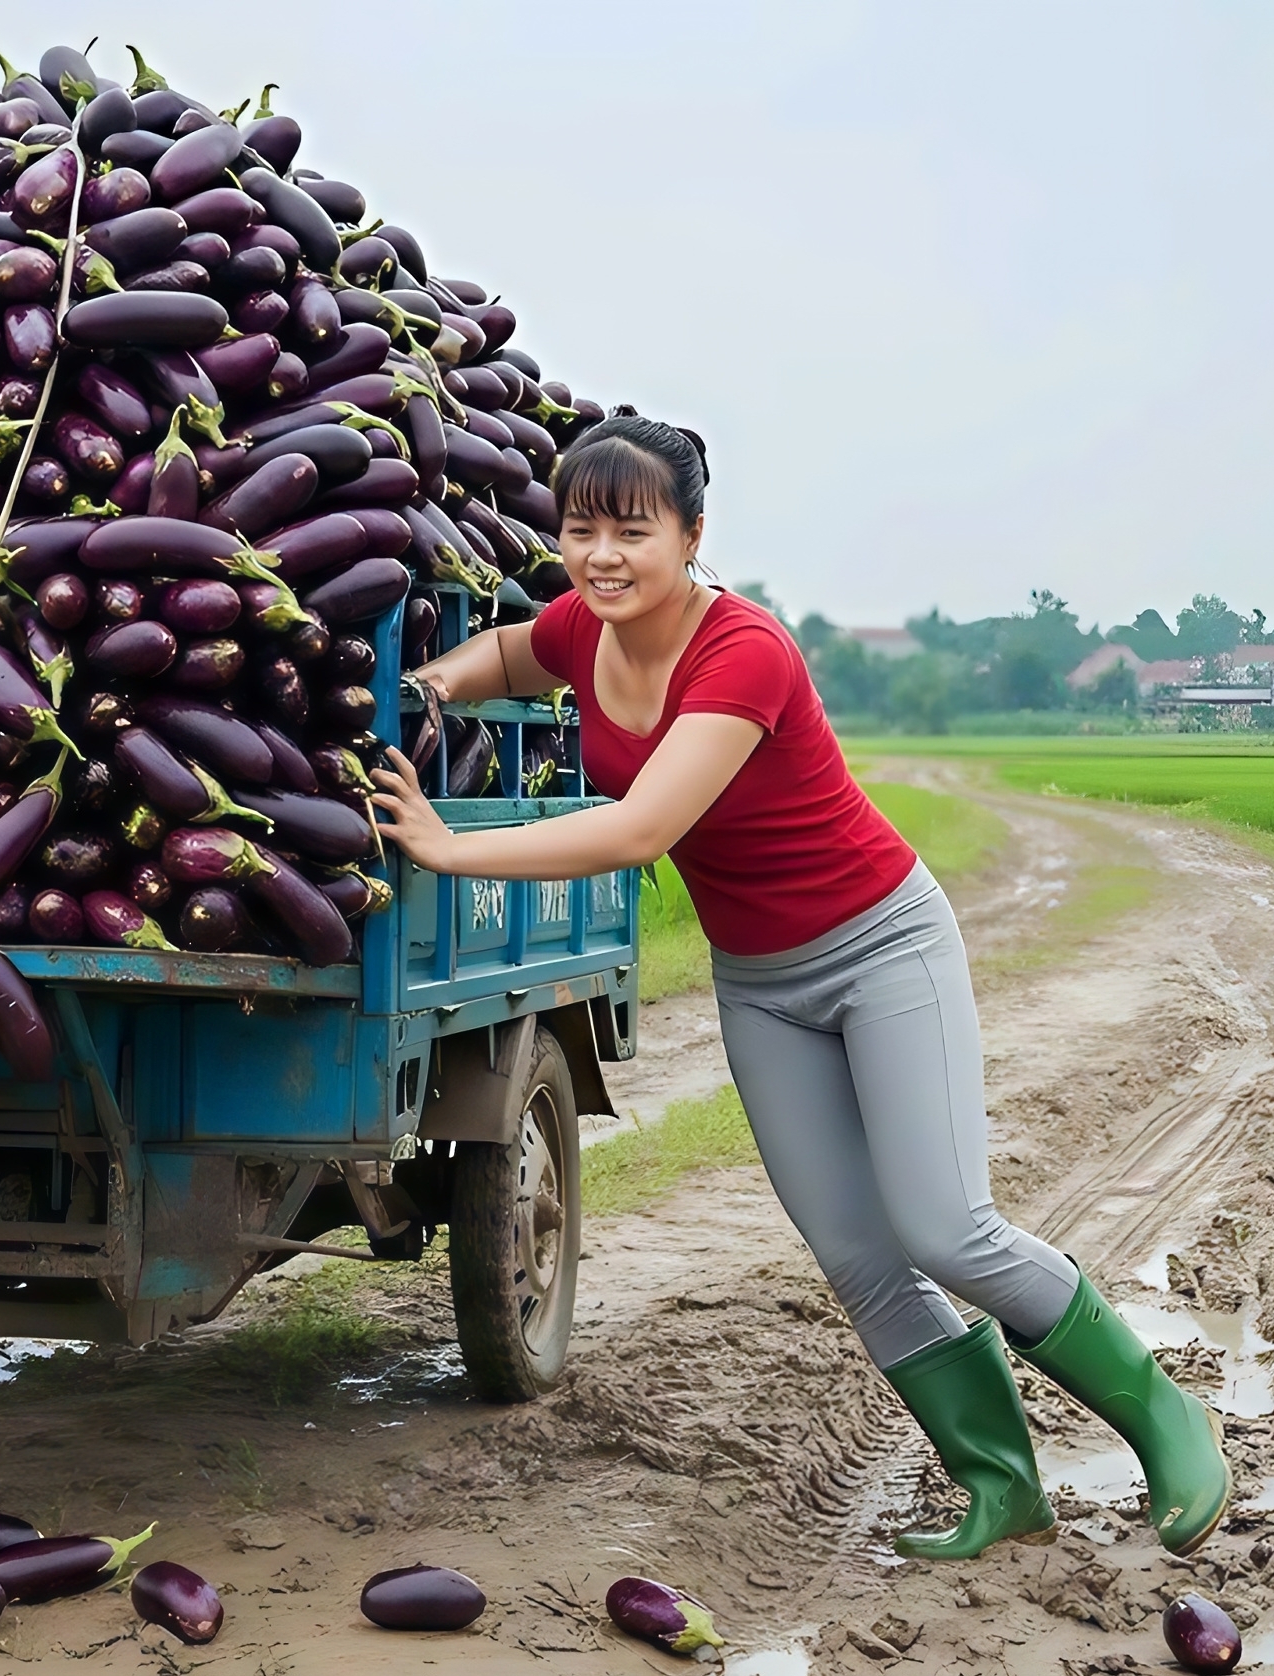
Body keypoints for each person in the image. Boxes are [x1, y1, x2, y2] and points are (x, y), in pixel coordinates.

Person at [367, 414, 1228, 1558]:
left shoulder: (745, 650)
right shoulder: (585, 628)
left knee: (945, 1224)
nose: (603, 554)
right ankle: (1000, 1481)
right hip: (763, 983)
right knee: (858, 1253)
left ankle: (1163, 1415)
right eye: (581, 529)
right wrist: (423, 686)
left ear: (692, 535)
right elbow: (516, 652)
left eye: (633, 529)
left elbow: (642, 827)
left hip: (880, 947)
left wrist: (447, 844)